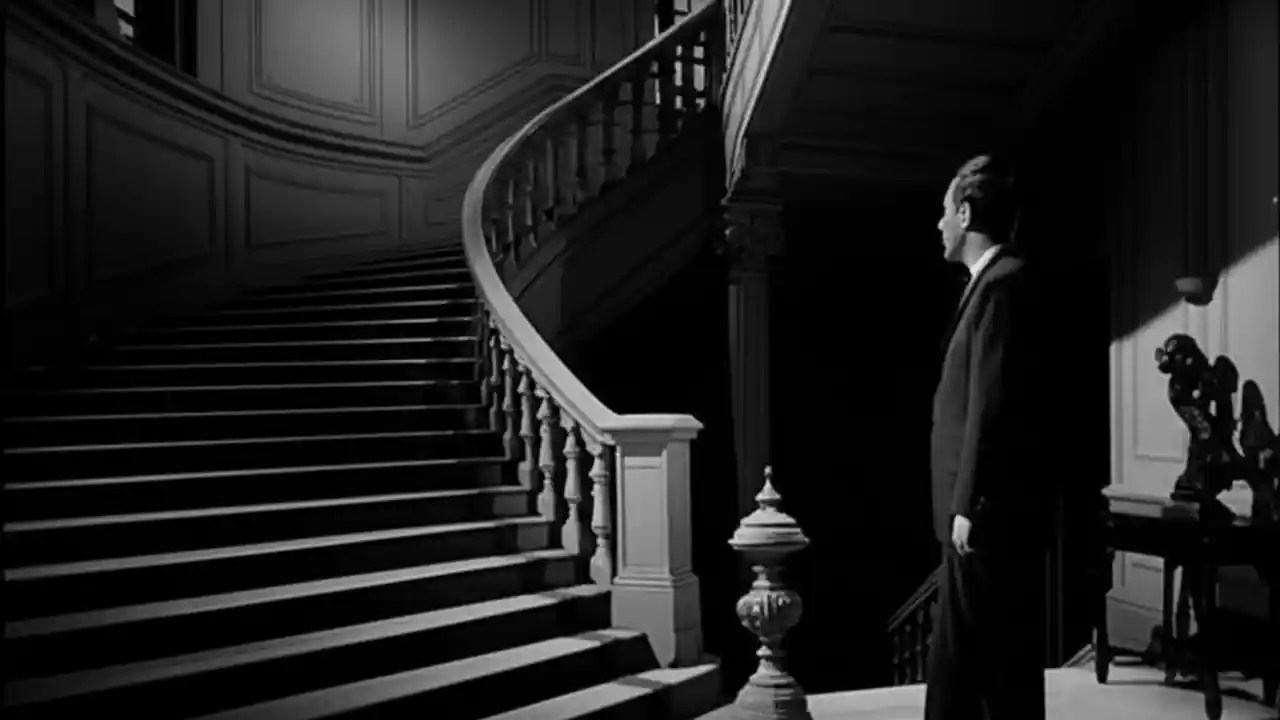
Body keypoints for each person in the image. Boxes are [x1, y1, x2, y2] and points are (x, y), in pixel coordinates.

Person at [925, 154, 1049, 719]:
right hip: (968, 508)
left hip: (980, 512)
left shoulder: (1002, 285)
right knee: (970, 658)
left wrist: (968, 502)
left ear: (967, 212)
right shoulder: (990, 285)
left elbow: (991, 405)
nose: (939, 224)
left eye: (945, 211)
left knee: (988, 660)